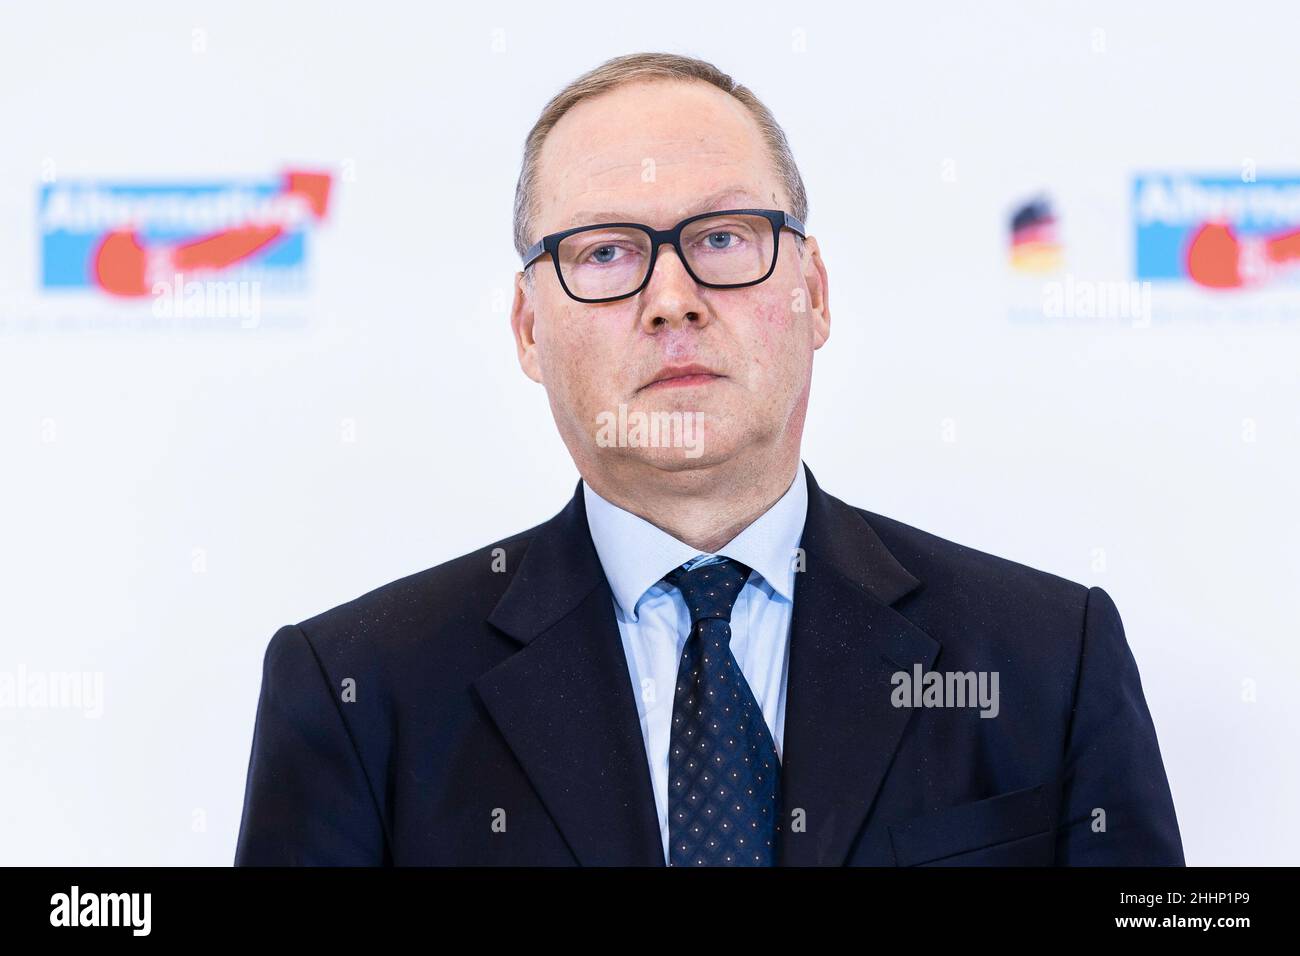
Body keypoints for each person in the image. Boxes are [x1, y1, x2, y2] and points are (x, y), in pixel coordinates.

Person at [234, 52, 1184, 866]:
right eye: (606, 253)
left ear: (815, 293)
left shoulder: (1051, 659)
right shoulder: (357, 693)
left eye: (723, 238)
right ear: (527, 329)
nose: (672, 298)